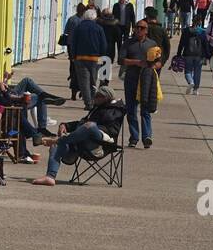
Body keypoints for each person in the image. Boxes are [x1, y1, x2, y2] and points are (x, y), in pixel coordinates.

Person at [31, 87, 126, 187]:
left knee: (90, 126)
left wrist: (86, 127)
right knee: (56, 145)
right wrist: (65, 125)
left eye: (97, 96)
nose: (94, 98)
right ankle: (50, 177)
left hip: (100, 146)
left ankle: (57, 140)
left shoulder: (115, 110)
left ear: (106, 98)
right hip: (80, 144)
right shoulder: (98, 107)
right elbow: (82, 123)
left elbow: (109, 130)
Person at [120, 20, 161, 148]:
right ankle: (134, 137)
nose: (138, 30)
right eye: (136, 27)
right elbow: (121, 60)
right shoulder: (128, 43)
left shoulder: (152, 44)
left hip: (146, 81)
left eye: (141, 28)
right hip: (131, 80)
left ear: (146, 30)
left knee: (145, 109)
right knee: (131, 110)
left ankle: (146, 137)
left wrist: (154, 65)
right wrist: (137, 62)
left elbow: (159, 62)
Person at [68, 8, 107, 109]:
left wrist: (73, 56)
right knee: (93, 81)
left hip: (80, 58)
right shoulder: (99, 28)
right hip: (95, 59)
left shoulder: (78, 27)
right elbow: (104, 45)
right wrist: (102, 56)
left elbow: (72, 43)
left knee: (84, 83)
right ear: (94, 17)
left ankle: (88, 103)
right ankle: (94, 102)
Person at [176, 20, 209, 95]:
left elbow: (181, 43)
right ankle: (195, 90)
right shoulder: (202, 32)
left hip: (188, 54)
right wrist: (207, 55)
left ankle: (190, 81)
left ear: (192, 22)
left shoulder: (186, 31)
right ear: (200, 23)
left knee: (188, 71)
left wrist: (179, 53)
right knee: (198, 72)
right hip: (199, 55)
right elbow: (205, 44)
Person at [63, 2, 85, 100]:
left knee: (73, 72)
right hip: (82, 50)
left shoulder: (71, 19)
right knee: (83, 73)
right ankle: (82, 91)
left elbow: (66, 32)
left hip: (72, 49)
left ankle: (73, 93)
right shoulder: (86, 21)